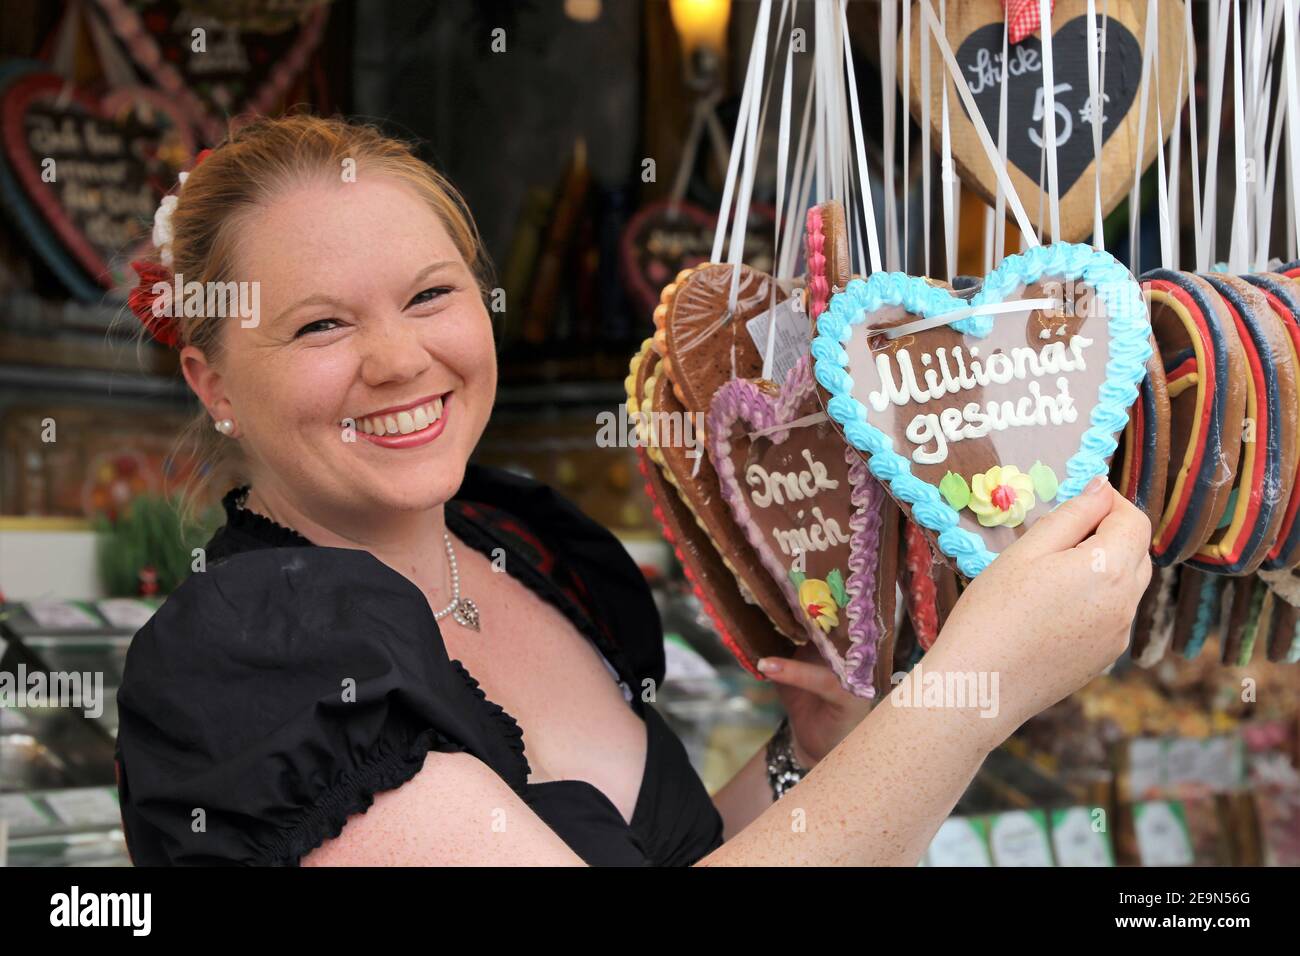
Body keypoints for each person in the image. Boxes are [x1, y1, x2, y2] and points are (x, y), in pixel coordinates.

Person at [113, 114, 1152, 866]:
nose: (397, 358)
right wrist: (973, 689)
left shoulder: (525, 549)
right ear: (213, 383)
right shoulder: (250, 658)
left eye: (430, 294)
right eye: (319, 325)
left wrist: (808, 757)